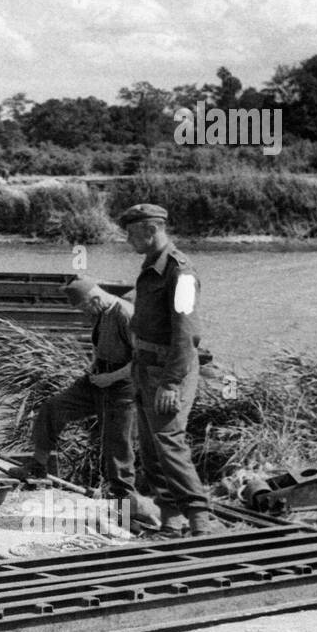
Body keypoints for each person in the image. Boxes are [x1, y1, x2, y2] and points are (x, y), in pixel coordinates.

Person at [28, 278, 160, 531]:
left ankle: (126, 515)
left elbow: (142, 360)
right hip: (97, 379)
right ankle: (37, 466)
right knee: (53, 408)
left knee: (118, 451)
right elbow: (104, 346)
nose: (83, 314)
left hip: (122, 386)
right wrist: (95, 368)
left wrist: (109, 378)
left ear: (96, 299)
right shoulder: (101, 312)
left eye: (84, 309)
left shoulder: (126, 314)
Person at [118, 203, 215, 537]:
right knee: (151, 447)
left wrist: (171, 383)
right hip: (146, 368)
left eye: (132, 233)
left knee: (169, 442)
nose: (128, 240)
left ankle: (200, 520)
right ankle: (171, 520)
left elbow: (187, 334)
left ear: (150, 229)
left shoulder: (180, 272)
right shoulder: (151, 266)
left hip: (168, 372)